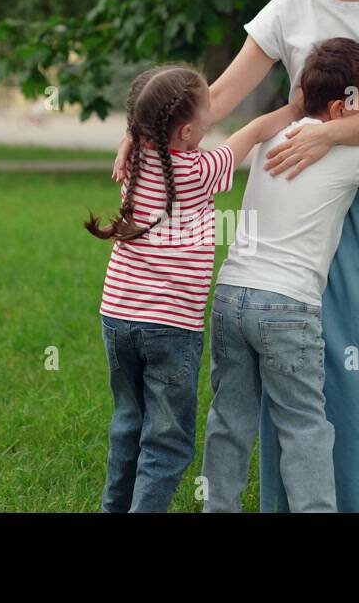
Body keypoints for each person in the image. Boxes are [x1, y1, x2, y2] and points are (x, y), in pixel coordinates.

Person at [112, 0, 359, 512]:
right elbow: (215, 98)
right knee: (305, 397)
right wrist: (147, 133)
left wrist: (331, 137)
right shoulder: (286, 9)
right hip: (303, 211)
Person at [202, 38, 359, 513]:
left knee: (228, 418)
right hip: (286, 306)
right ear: (341, 107)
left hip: (230, 295)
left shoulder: (276, 136)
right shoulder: (353, 152)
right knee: (304, 425)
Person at [86, 65, 302, 512]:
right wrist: (298, 107)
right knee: (167, 442)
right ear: (186, 131)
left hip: (117, 316)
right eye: (208, 115)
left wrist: (130, 135)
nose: (213, 119)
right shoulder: (200, 171)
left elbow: (147, 130)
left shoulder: (133, 157)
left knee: (129, 422)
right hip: (170, 327)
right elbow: (256, 130)